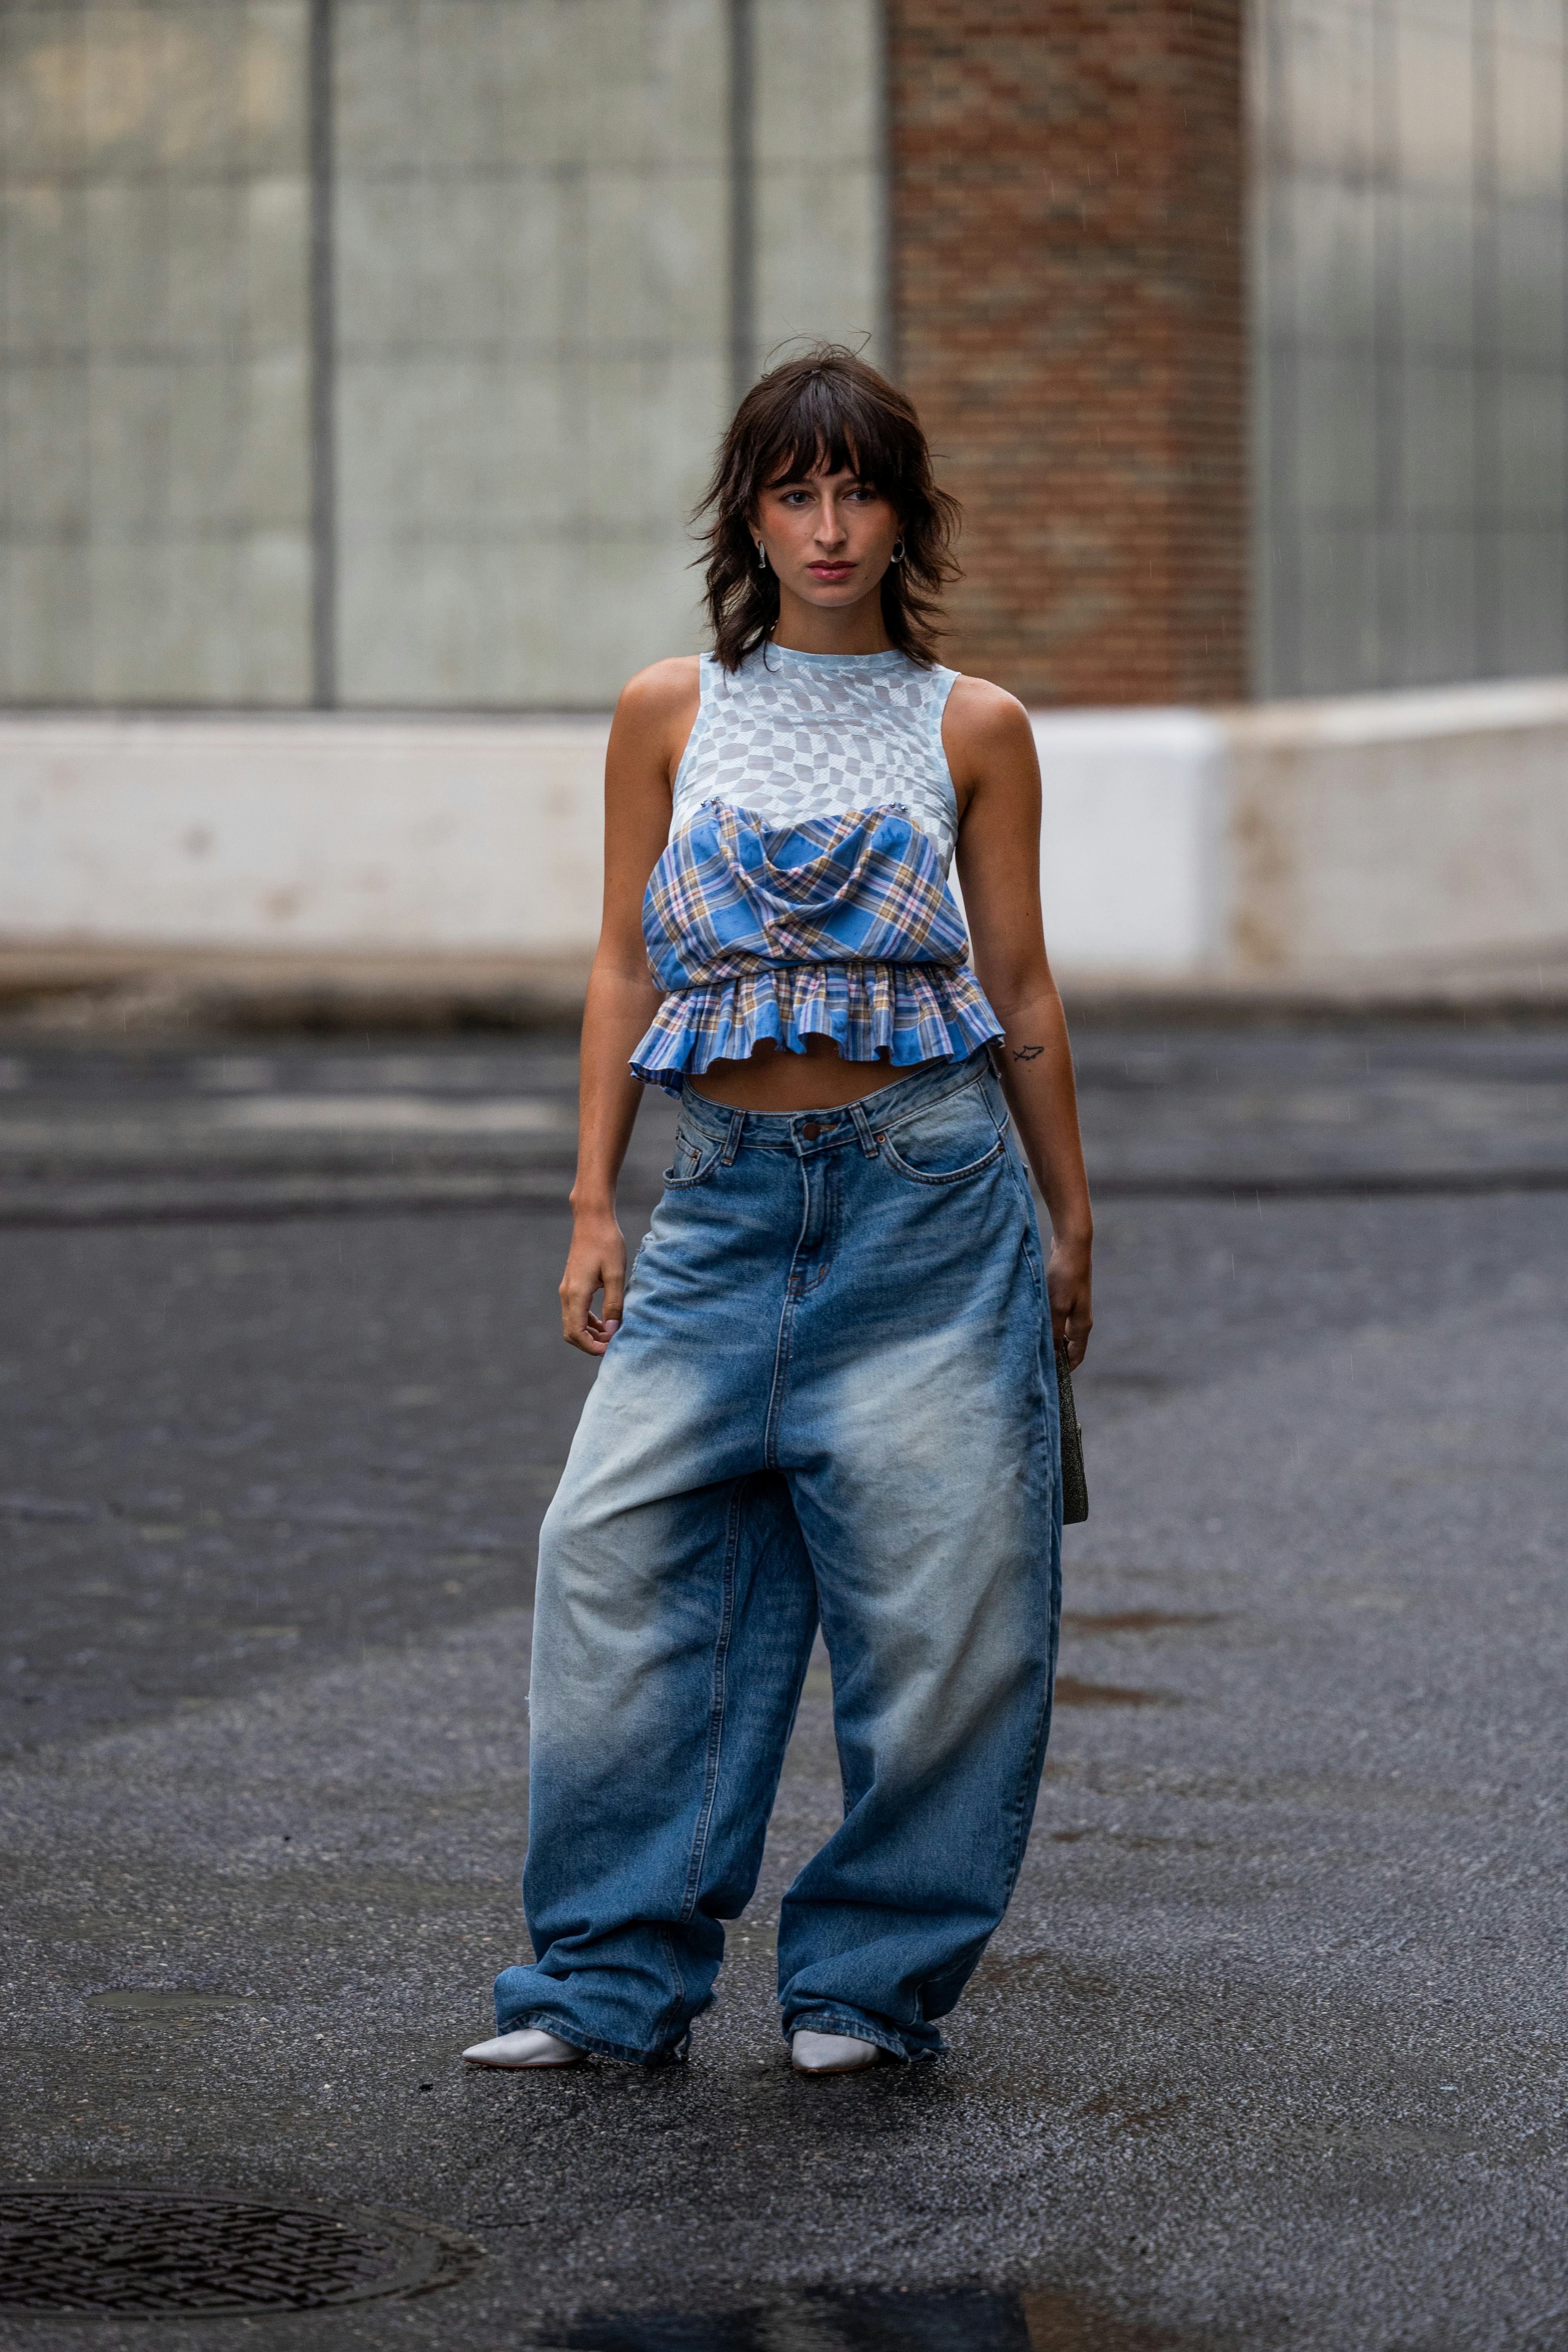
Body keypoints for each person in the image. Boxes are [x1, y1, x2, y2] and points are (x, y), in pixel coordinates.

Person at [465, 347, 1093, 2078]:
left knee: (948, 1608)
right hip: (719, 1204)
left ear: (907, 512)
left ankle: (870, 1988)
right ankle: (603, 1985)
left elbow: (1022, 990)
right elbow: (621, 958)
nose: (829, 527)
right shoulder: (670, 707)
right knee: (612, 1561)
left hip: (928, 1196)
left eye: (860, 490)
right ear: (750, 511)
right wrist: (595, 1198)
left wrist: (1069, 1216)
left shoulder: (972, 726)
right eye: (795, 492)